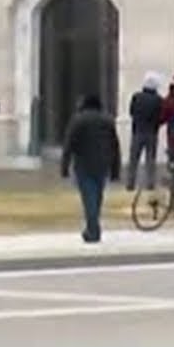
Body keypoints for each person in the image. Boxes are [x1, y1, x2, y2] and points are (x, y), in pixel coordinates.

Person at [60, 94, 121, 243]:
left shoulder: (78, 120)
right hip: (103, 164)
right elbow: (115, 146)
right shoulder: (108, 120)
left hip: (84, 164)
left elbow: (69, 144)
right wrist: (115, 169)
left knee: (89, 197)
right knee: (97, 196)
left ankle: (93, 230)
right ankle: (93, 226)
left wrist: (65, 166)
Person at [125, 72, 164, 191]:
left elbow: (131, 112)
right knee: (150, 159)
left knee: (133, 159)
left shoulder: (136, 96)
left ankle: (130, 183)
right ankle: (150, 183)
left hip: (137, 130)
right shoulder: (158, 99)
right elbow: (160, 116)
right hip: (152, 132)